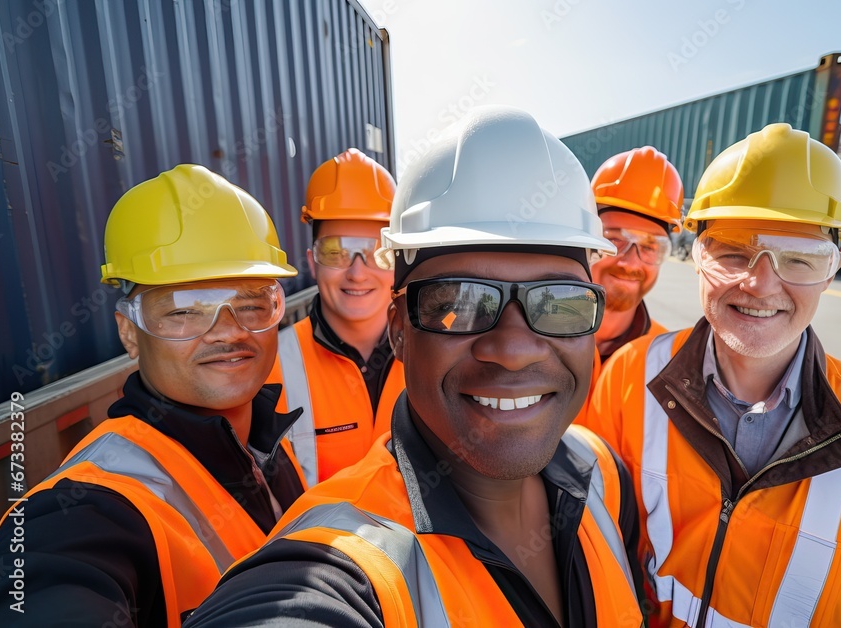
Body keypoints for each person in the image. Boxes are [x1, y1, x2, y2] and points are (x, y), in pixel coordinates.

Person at [184, 107, 648, 627]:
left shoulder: (603, 472)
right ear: (399, 330)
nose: (514, 349)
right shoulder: (345, 568)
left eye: (557, 301)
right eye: (460, 301)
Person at [586, 123, 841, 627]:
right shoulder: (632, 375)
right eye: (733, 252)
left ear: (832, 270)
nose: (759, 284)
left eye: (798, 259)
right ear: (698, 257)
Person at [0, 165, 307, 627]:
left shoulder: (267, 444)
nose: (226, 331)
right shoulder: (91, 506)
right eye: (183, 310)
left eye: (249, 303)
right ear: (129, 332)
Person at [267, 148, 405, 485]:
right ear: (312, 262)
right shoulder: (270, 366)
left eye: (375, 253)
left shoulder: (437, 351)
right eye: (336, 251)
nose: (357, 272)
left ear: (397, 262)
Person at [589, 147, 684, 362]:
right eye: (614, 240)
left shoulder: (669, 361)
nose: (631, 263)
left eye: (650, 246)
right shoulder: (535, 335)